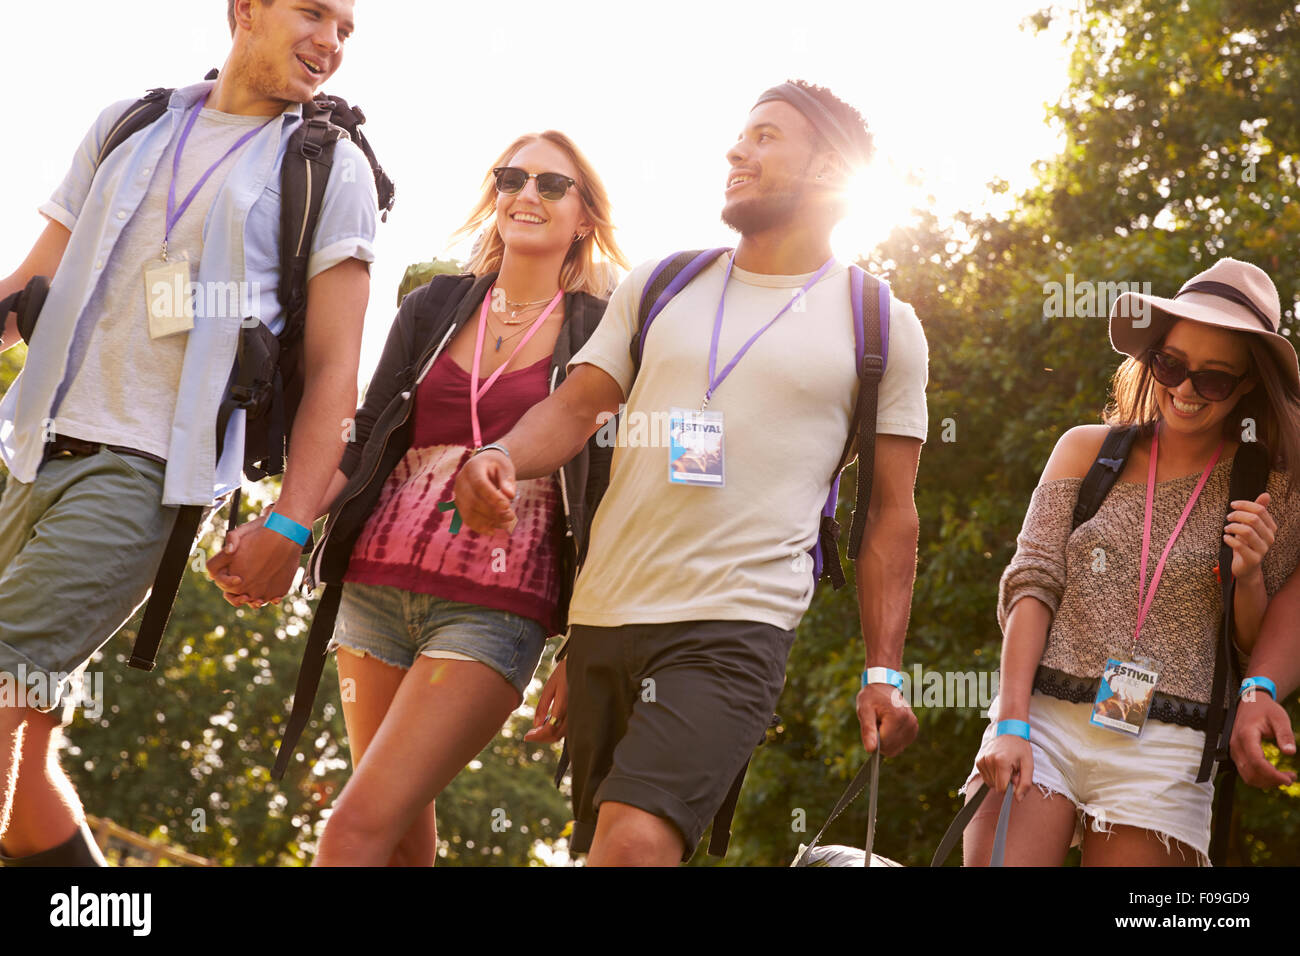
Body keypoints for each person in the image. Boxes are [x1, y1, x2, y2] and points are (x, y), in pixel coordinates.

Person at [454, 80, 930, 866]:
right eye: (742, 135)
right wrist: (500, 454)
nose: (738, 150)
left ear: (830, 169)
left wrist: (884, 671)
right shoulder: (661, 282)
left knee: (635, 844)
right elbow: (577, 410)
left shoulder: (882, 324)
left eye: (767, 136)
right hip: (608, 616)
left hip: (735, 623)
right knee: (610, 852)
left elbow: (890, 515)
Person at [0, 0, 375, 866]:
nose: (331, 41)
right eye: (313, 12)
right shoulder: (128, 124)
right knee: (21, 780)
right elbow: (28, 287)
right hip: (27, 446)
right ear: (244, 10)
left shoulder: (328, 167)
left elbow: (333, 373)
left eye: (347, 30)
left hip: (142, 475)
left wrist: (291, 521)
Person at [217, 131, 626, 865]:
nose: (527, 194)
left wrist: (587, 640)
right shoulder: (434, 304)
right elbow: (365, 435)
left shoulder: (606, 328)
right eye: (512, 177)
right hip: (374, 587)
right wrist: (288, 525)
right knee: (401, 840)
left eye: (552, 185)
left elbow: (613, 495)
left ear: (586, 217)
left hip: (496, 606)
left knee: (351, 830)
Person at [964, 258, 1300, 866]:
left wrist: (1248, 574)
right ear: (1151, 357)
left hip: (1170, 744)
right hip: (1043, 717)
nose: (1185, 389)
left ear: (1249, 383)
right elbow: (1032, 585)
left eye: (1214, 379)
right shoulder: (1085, 451)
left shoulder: (1274, 488)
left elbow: (1251, 644)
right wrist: (1010, 721)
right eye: (1170, 364)